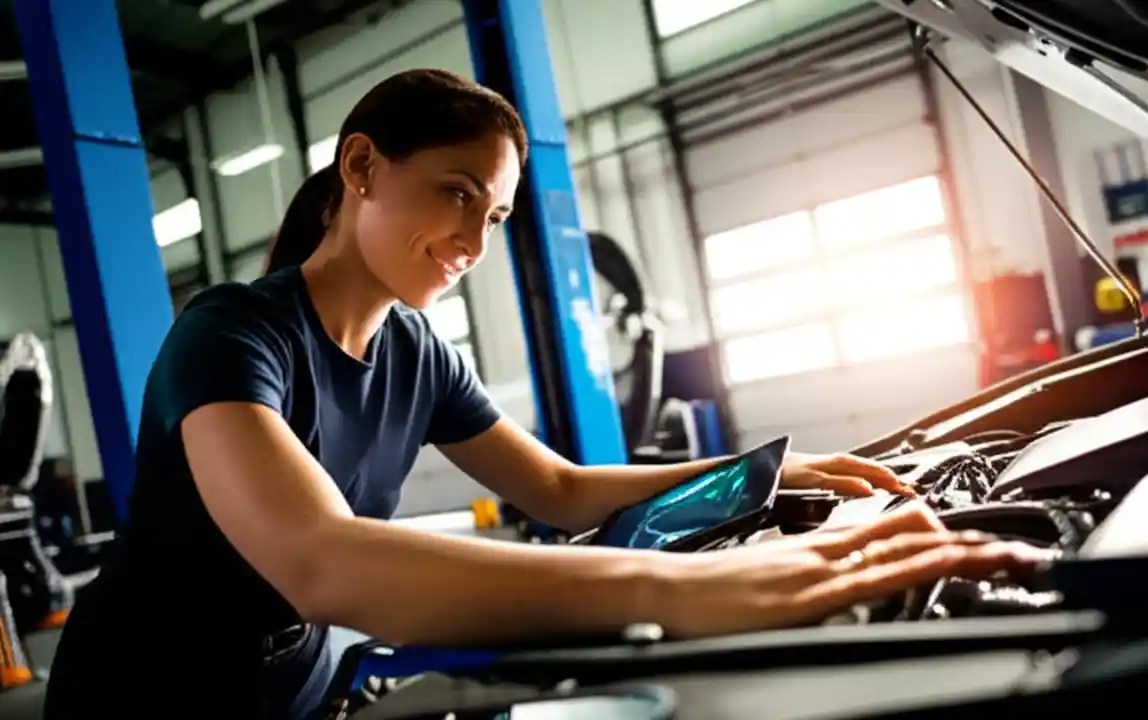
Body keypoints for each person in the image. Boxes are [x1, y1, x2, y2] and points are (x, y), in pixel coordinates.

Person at [43, 69, 1050, 718]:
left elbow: (559, 490)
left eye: (498, 214)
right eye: (456, 194)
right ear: (361, 168)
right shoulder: (230, 333)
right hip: (151, 701)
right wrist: (688, 591)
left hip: (293, 692)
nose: (477, 243)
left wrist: (758, 476)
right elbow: (318, 561)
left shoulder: (415, 352)